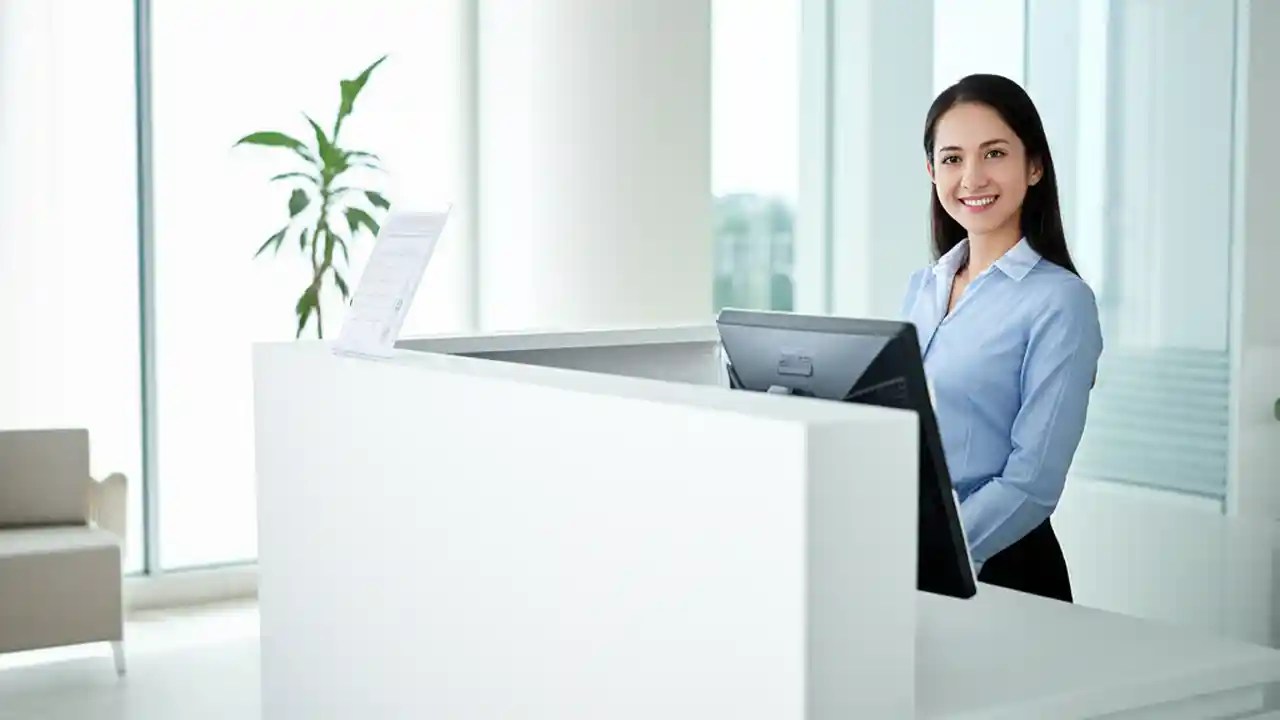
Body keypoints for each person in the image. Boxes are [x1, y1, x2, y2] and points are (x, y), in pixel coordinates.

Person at [902, 74, 1103, 602]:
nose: (972, 177)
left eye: (994, 153)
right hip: (914, 559)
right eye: (951, 159)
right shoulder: (923, 288)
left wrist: (935, 554)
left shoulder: (1060, 302)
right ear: (931, 171)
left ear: (1033, 166)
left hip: (1002, 569)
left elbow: (1033, 482)